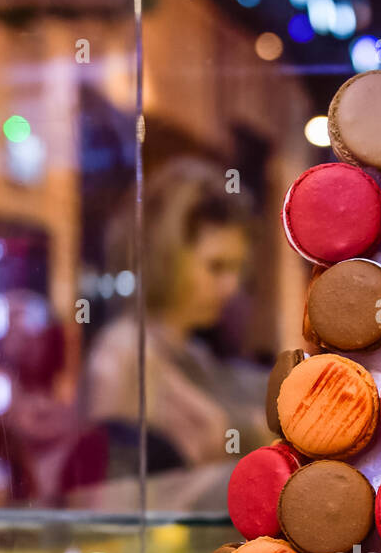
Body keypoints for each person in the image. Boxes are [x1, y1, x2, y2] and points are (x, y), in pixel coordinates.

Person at [84, 158, 261, 474]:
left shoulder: (190, 352)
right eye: (216, 267)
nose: (231, 288)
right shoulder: (125, 354)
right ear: (165, 258)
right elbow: (114, 493)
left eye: (237, 269)